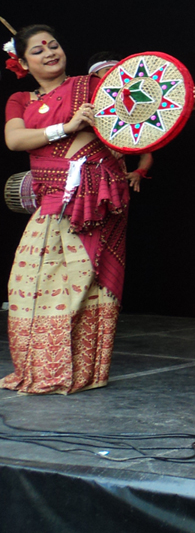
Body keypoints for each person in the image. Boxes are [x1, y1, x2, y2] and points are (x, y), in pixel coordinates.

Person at [2, 25, 129, 394]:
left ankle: (83, 372)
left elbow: (134, 110)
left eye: (54, 45)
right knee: (27, 284)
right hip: (51, 199)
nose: (49, 53)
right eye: (38, 51)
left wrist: (181, 102)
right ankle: (42, 367)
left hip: (94, 196)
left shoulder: (90, 85)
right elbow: (15, 139)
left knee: (87, 286)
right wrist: (66, 127)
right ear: (22, 62)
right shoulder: (20, 100)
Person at [88, 51, 153, 191]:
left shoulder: (128, 110)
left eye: (117, 72)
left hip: (117, 180)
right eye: (108, 71)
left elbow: (146, 153)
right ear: (93, 76)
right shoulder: (81, 106)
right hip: (85, 177)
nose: (114, 76)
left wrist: (139, 172)